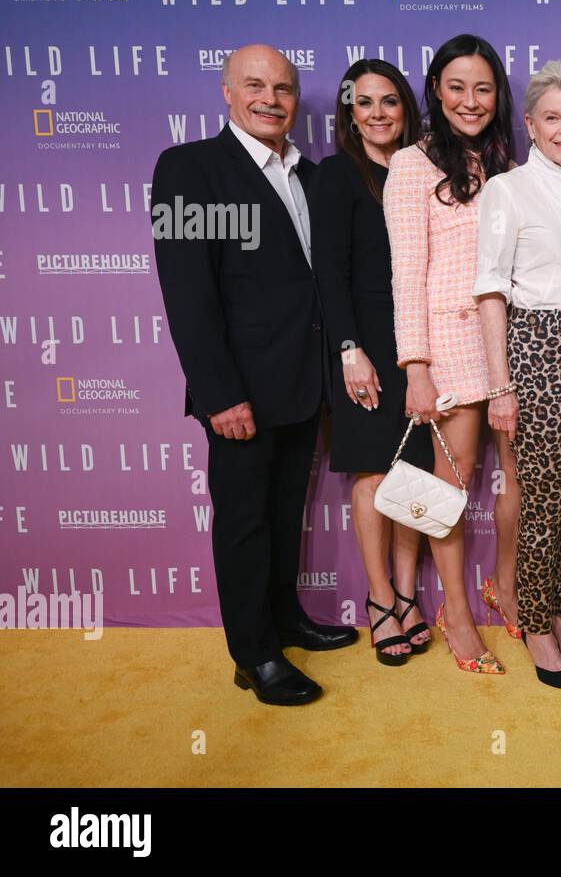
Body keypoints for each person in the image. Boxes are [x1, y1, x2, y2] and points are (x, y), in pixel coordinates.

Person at [151, 44, 357, 707]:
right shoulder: (189, 168)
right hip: (240, 391)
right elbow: (188, 293)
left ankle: (285, 619)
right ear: (227, 92)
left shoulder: (309, 173)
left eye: (284, 88)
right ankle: (254, 654)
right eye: (255, 85)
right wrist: (219, 394)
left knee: (281, 513)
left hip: (302, 384)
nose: (271, 99)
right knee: (244, 522)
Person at [474, 60, 561, 690]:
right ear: (530, 122)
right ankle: (533, 624)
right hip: (537, 349)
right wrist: (502, 387)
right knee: (542, 504)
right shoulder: (508, 190)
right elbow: (490, 292)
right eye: (553, 118)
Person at [385, 34, 520, 675]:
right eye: (458, 86)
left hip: (513, 341)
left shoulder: (505, 164)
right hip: (450, 345)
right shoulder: (411, 166)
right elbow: (407, 273)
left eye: (484, 87)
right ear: (436, 89)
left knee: (516, 480)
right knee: (452, 485)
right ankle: (456, 616)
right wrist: (416, 365)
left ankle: (508, 587)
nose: (471, 100)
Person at [309, 59, 437, 666]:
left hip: (418, 345)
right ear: (349, 113)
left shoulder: (424, 170)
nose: (379, 113)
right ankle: (380, 600)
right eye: (365, 103)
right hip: (362, 349)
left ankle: (410, 596)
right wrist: (348, 350)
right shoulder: (337, 175)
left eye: (390, 101)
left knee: (415, 476)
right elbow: (329, 272)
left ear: (407, 109)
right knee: (373, 476)